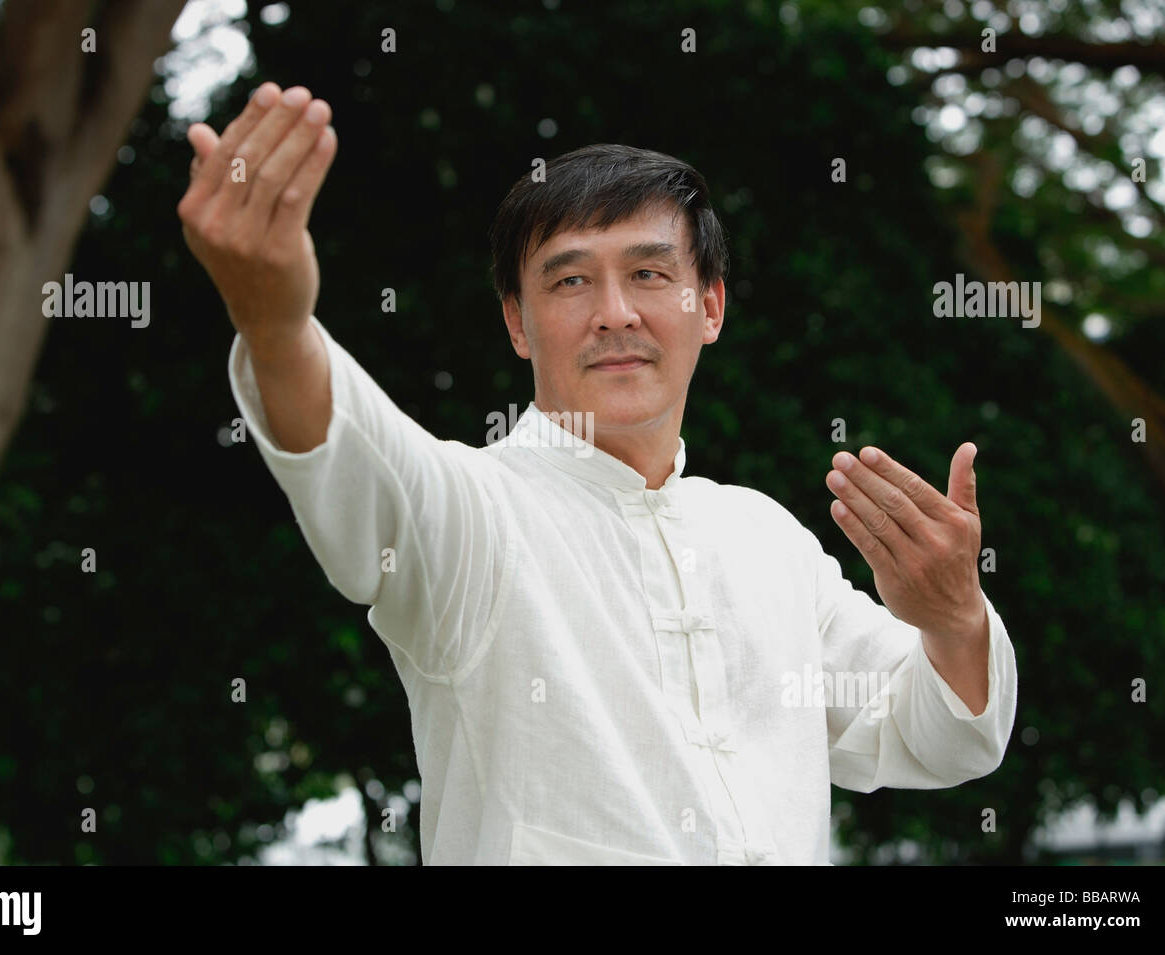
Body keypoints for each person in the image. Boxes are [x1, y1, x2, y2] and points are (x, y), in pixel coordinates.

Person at [178, 81, 1018, 865]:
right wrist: (276, 321)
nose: (615, 311)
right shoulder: (477, 513)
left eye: (650, 273)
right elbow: (361, 459)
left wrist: (952, 619)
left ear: (711, 306)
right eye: (571, 279)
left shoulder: (766, 538)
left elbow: (937, 732)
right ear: (517, 322)